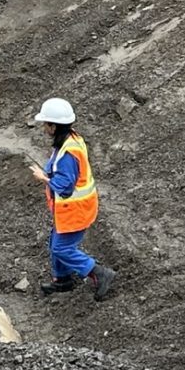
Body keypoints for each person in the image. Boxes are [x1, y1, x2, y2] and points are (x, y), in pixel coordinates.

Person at [29, 97, 116, 301]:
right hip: (70, 209)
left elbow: (65, 185)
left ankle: (98, 273)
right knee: (55, 243)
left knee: (61, 247)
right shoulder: (70, 141)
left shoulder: (68, 152)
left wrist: (44, 177)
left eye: (46, 124)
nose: (43, 128)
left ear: (54, 126)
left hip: (74, 209)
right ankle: (63, 279)